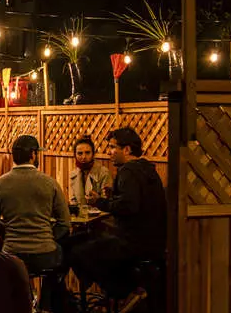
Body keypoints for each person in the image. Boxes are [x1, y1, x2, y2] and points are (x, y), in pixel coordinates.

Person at [69, 127, 167, 298]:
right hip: (155, 243)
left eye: (113, 147)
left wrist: (100, 202)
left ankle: (121, 291)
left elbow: (128, 207)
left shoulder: (128, 171)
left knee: (78, 252)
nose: (109, 152)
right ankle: (121, 290)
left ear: (127, 149)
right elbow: (136, 202)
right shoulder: (147, 169)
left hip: (133, 245)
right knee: (89, 245)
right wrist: (113, 196)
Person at [0, 135, 70, 313]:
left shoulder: (0, 184)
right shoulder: (49, 183)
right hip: (45, 254)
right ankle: (46, 307)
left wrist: (6, 233)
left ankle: (20, 309)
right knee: (60, 256)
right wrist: (48, 236)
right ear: (33, 154)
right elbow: (65, 223)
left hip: (12, 254)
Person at [69, 135, 112, 207]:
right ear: (75, 155)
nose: (84, 157)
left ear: (93, 154)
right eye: (80, 153)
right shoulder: (73, 174)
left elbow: (108, 201)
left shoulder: (103, 173)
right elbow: (73, 200)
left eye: (87, 153)